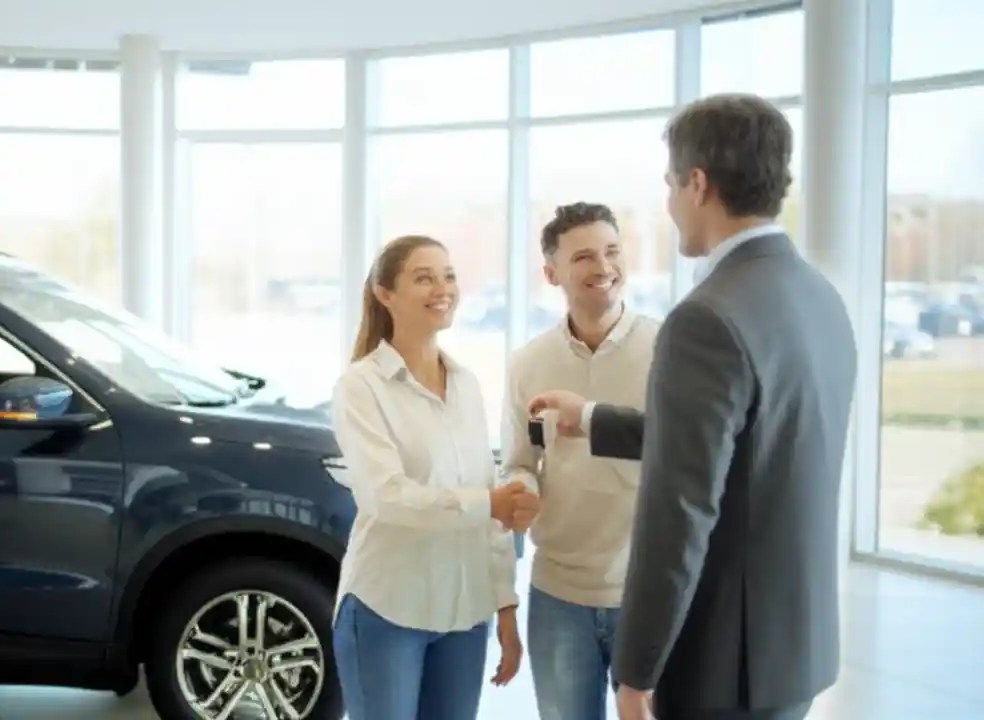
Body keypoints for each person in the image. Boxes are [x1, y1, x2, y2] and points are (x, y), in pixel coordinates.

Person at [528, 94, 858, 720]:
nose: (670, 203)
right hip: (796, 649)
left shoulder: (705, 318)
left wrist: (636, 669)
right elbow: (744, 443)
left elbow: (679, 514)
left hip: (723, 663)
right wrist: (592, 418)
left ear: (698, 184)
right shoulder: (820, 295)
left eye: (670, 184)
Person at [329, 234, 539, 720]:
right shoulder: (360, 387)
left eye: (448, 276)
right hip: (387, 607)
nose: (442, 289)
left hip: (465, 613)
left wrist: (505, 607)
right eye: (423, 278)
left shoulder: (466, 384)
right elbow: (386, 497)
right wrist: (489, 503)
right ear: (385, 293)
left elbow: (491, 503)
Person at [500, 202, 658, 720]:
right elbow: (520, 462)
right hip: (559, 595)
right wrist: (522, 489)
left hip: (649, 592)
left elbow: (691, 454)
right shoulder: (528, 363)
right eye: (584, 256)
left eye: (612, 251)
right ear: (552, 274)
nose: (603, 266)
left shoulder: (667, 351)